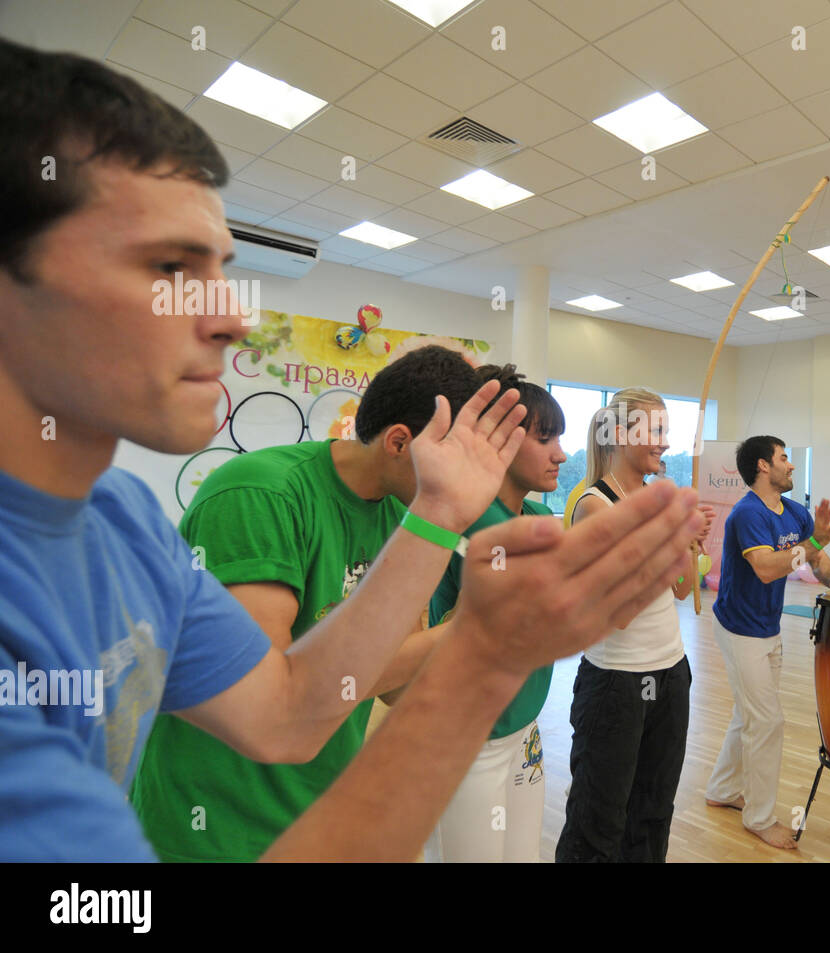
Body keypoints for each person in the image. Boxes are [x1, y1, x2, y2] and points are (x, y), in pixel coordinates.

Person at [0, 38, 703, 860]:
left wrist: (465, 580)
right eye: (166, 265)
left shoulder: (122, 524)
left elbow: (289, 710)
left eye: (221, 269)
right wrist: (477, 651)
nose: (231, 316)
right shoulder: (254, 499)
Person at [130, 346, 515, 861]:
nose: (476, 483)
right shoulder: (261, 495)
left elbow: (392, 690)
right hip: (215, 830)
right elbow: (263, 699)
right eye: (464, 458)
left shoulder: (406, 519)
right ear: (400, 442)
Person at [555, 388, 713, 863]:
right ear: (619, 435)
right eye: (655, 431)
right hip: (615, 685)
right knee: (598, 822)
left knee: (652, 813)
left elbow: (683, 590)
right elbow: (616, 611)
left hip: (671, 672)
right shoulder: (593, 505)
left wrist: (690, 545)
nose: (665, 443)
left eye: (667, 431)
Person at [419, 377, 567, 863]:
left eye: (559, 439)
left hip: (524, 723)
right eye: (545, 439)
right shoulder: (455, 520)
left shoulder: (543, 516)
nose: (560, 455)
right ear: (501, 438)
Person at [705, 436, 830, 847]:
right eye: (784, 458)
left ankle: (723, 790)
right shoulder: (746, 514)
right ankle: (759, 818)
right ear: (763, 466)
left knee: (749, 716)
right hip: (739, 629)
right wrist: (813, 545)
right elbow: (765, 568)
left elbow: (818, 559)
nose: (791, 465)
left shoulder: (794, 512)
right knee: (766, 721)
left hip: (767, 626)